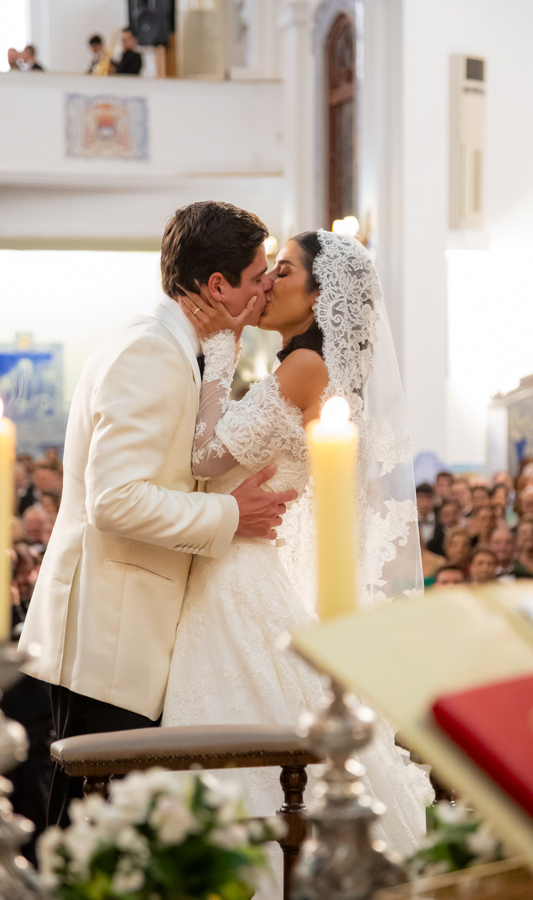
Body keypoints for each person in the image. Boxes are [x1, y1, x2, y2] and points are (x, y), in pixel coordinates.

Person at [18, 201, 296, 828]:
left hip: (125, 631)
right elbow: (115, 499)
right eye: (257, 278)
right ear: (217, 285)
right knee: (94, 836)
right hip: (108, 639)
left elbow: (184, 461)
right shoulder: (151, 352)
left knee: (111, 837)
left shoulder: (170, 342)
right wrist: (228, 515)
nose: (263, 292)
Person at [163, 228, 433, 859]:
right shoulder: (301, 364)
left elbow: (205, 459)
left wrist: (221, 346)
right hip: (245, 559)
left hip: (240, 576)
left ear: (316, 299)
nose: (265, 284)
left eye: (281, 272)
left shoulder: (306, 367)